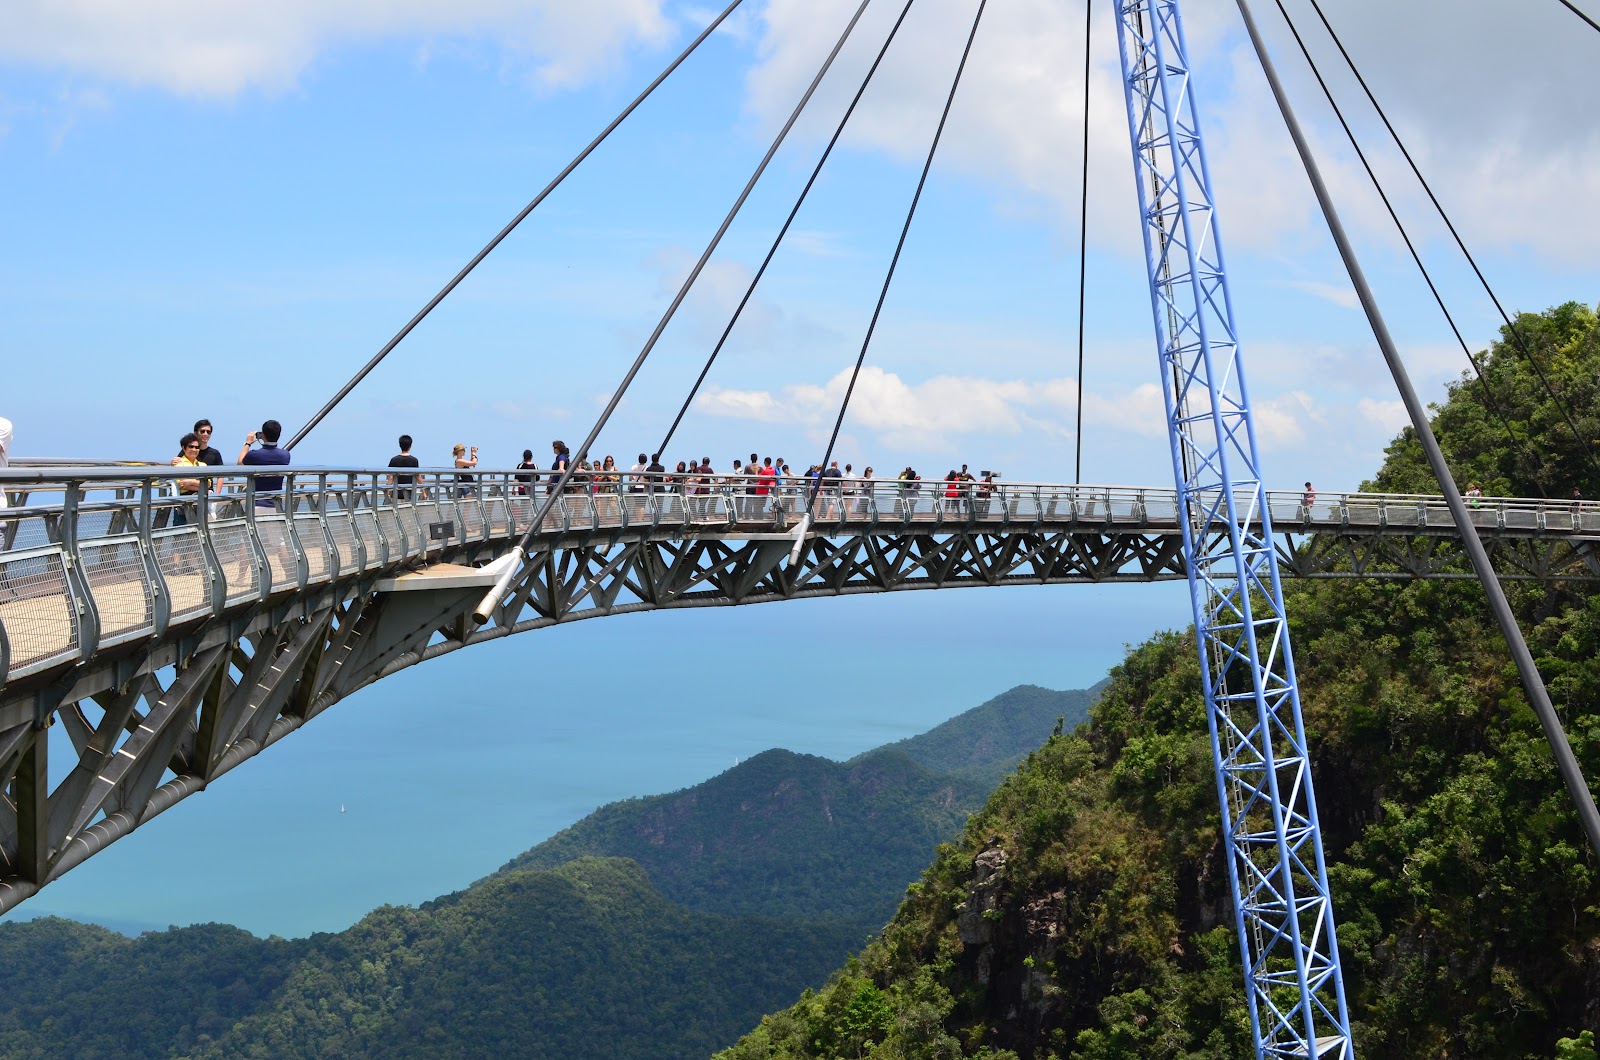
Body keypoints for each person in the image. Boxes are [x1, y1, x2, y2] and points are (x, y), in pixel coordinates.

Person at [239, 419, 290, 508]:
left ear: (263, 435)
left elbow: (240, 463)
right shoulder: (285, 455)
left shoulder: (254, 455)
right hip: (276, 505)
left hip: (257, 503)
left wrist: (247, 443)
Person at [170, 432, 203, 526]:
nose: (194, 449)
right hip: (184, 503)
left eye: (197, 447)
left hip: (200, 503)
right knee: (182, 534)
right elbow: (182, 484)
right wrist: (201, 485)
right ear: (184, 448)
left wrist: (190, 481)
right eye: (191, 447)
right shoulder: (179, 463)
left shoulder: (202, 465)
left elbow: (209, 484)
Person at [390, 434, 422, 501]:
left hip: (396, 493)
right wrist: (423, 491)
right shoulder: (414, 460)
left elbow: (391, 478)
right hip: (409, 492)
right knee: (408, 510)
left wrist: (387, 491)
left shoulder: (394, 460)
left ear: (399, 445)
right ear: (410, 446)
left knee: (395, 510)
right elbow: (418, 477)